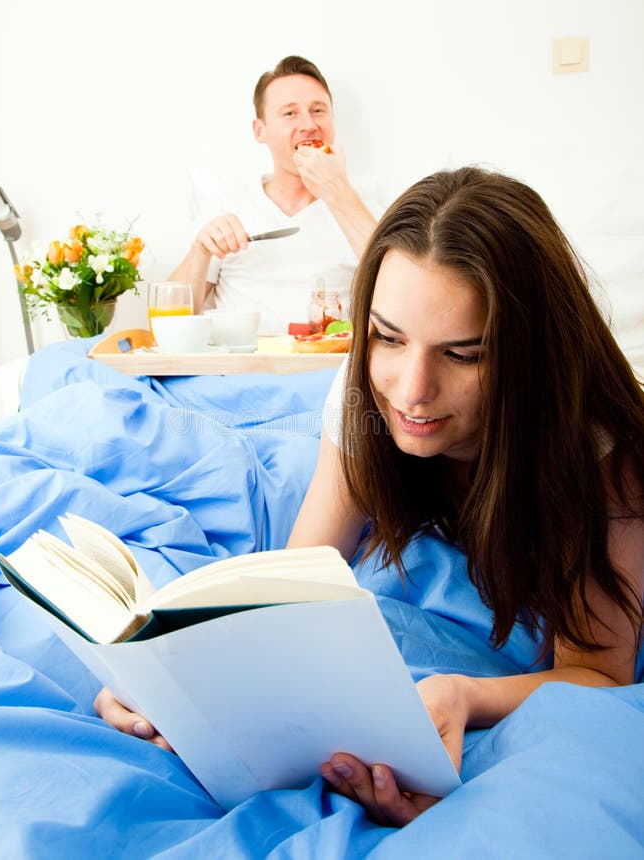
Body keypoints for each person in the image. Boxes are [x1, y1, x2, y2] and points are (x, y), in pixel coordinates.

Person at [95, 167, 644, 826]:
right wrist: (167, 679)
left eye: (464, 354)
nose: (411, 391)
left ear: (529, 354)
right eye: (388, 337)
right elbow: (295, 584)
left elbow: (598, 672)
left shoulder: (599, 449)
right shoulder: (364, 399)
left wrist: (462, 695)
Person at [168, 55, 380, 333]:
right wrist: (201, 250)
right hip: (238, 367)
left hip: (326, 368)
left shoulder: (365, 204)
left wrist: (338, 192)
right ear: (261, 130)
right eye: (290, 113)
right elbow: (170, 318)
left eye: (318, 110)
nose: (309, 125)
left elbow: (401, 295)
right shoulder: (227, 202)